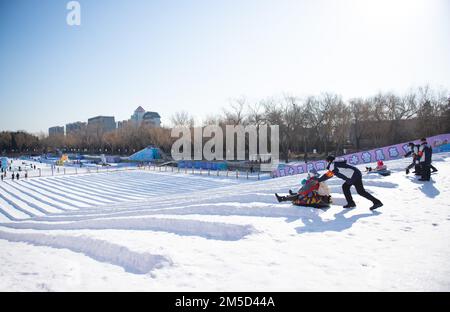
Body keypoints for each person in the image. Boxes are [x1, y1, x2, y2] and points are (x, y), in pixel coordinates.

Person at [318, 156, 383, 210]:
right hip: (354, 175)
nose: (327, 163)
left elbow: (328, 175)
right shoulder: (337, 163)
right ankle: (351, 203)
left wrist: (319, 180)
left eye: (327, 161)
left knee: (360, 191)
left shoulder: (333, 165)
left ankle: (376, 202)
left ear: (329, 161)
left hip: (353, 176)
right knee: (346, 187)